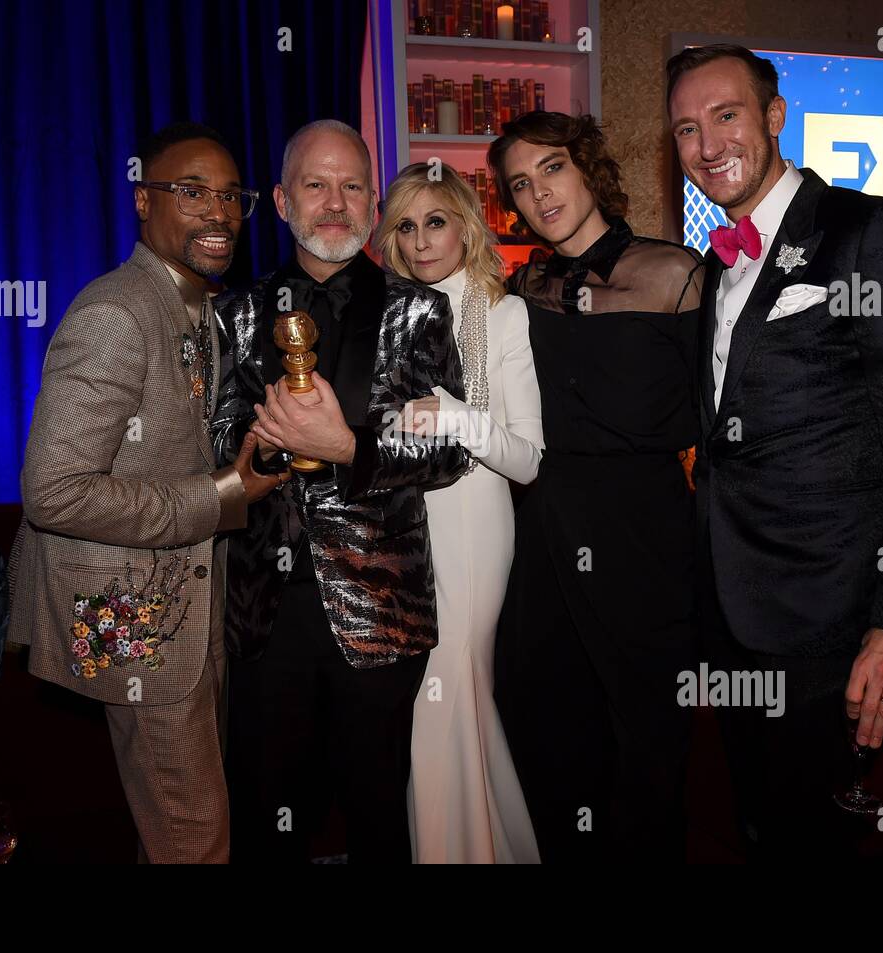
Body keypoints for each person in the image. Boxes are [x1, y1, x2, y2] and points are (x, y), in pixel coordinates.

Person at [667, 44, 883, 858]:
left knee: (823, 839)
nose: (706, 146)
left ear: (774, 118)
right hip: (734, 611)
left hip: (835, 619)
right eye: (686, 129)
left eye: (726, 116)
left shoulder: (874, 234)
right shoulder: (716, 262)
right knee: (758, 822)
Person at [7, 122, 284, 863]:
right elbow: (53, 492)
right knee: (192, 832)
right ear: (142, 200)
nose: (218, 213)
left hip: (185, 607)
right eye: (192, 192)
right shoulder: (115, 313)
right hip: (126, 613)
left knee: (172, 824)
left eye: (231, 196)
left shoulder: (200, 307)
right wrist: (220, 493)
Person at [216, 120, 471, 863]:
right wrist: (264, 448)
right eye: (316, 185)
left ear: (372, 202)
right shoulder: (234, 313)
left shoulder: (420, 310)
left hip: (381, 617)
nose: (335, 202)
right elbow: (217, 445)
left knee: (379, 819)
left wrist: (347, 448)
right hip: (265, 617)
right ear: (282, 200)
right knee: (265, 819)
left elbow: (451, 449)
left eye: (353, 185)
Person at [487, 111, 704, 861]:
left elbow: (722, 422)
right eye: (521, 182)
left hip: (644, 533)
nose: (539, 192)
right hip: (543, 532)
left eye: (551, 167)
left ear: (587, 166)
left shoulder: (675, 274)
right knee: (545, 715)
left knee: (648, 726)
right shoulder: (525, 287)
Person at [375, 161, 544, 863]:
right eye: (406, 226)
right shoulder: (386, 315)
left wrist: (451, 414)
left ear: (466, 226)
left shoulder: (503, 312)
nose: (420, 241)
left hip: (474, 521)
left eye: (436, 221)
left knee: (447, 693)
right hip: (401, 529)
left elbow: (528, 457)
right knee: (431, 699)